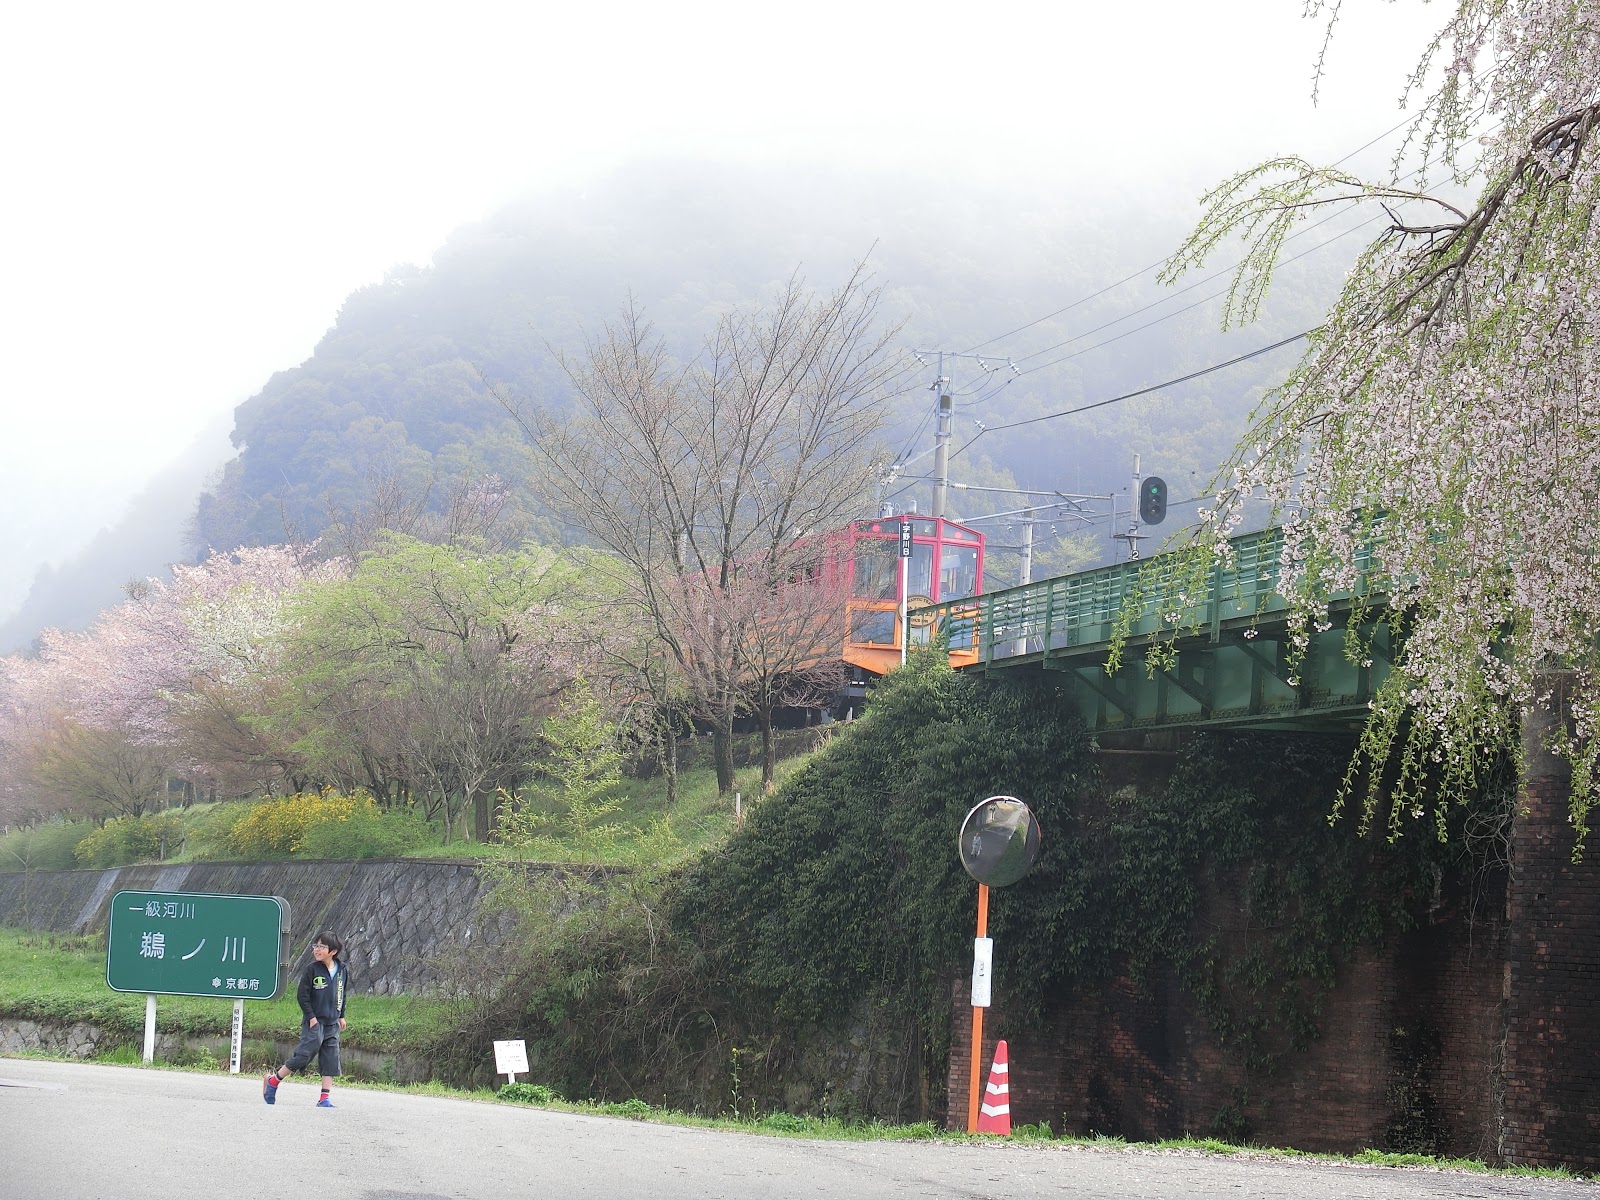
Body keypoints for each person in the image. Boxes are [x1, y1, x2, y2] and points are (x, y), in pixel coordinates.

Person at [263, 931, 348, 1108]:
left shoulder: (341, 970)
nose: (317, 950)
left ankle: (324, 1098)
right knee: (303, 1055)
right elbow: (302, 996)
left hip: (332, 1022)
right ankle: (273, 1081)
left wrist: (341, 1016)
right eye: (316, 946)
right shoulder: (312, 969)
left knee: (330, 1059)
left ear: (333, 951)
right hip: (315, 1022)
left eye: (322, 947)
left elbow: (342, 993)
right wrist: (311, 1017)